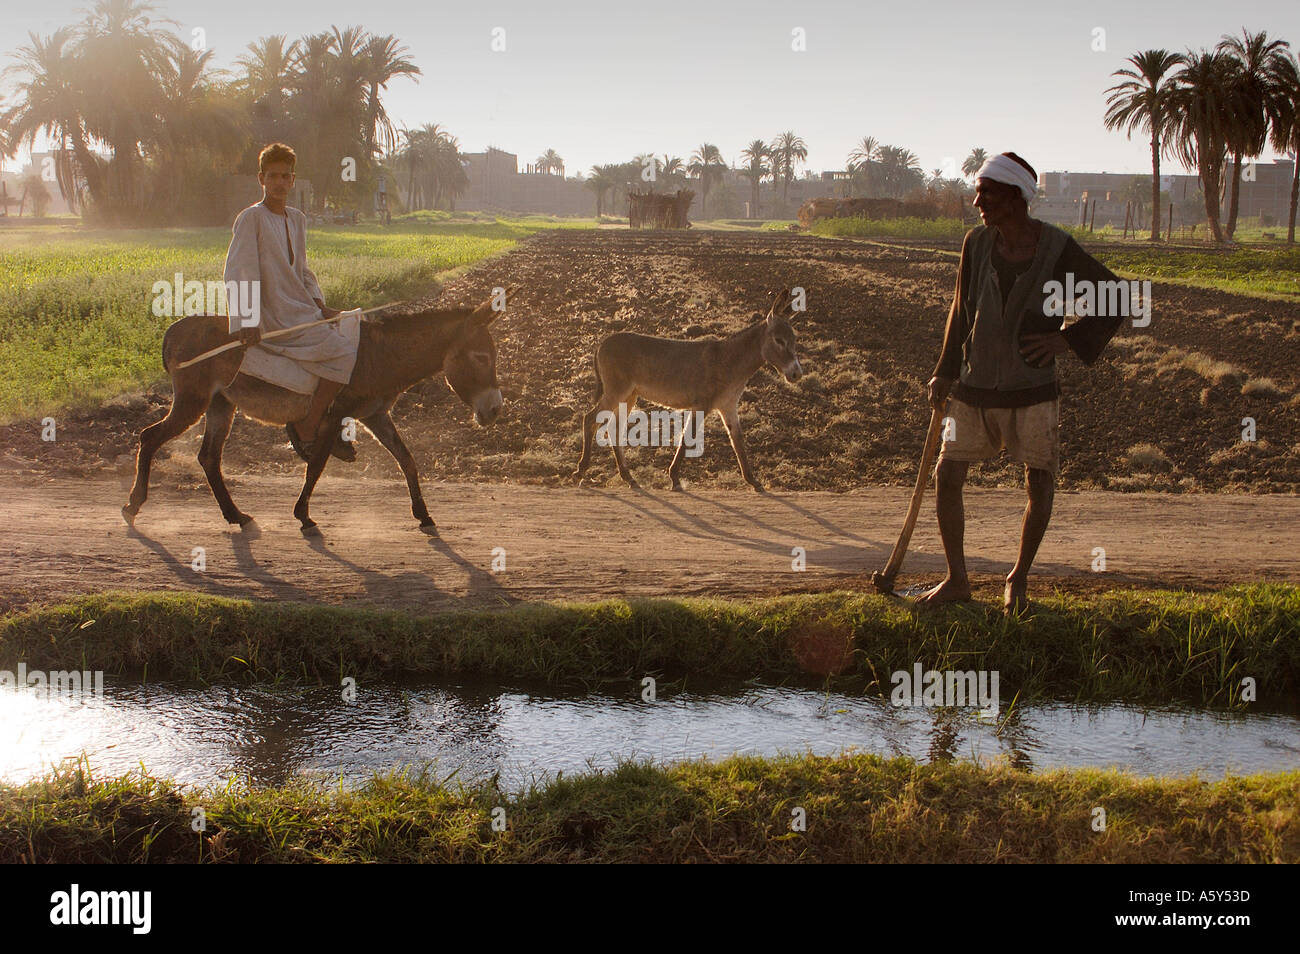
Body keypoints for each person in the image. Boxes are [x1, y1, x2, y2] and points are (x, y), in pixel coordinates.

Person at [920, 152, 1127, 613]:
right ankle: (957, 579)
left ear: (1015, 198)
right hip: (974, 387)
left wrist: (1066, 340)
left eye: (986, 192)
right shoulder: (975, 244)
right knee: (947, 474)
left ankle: (1018, 577)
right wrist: (945, 369)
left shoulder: (1056, 249)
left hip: (1032, 390)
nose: (977, 201)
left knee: (1039, 480)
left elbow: (1116, 299)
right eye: (978, 191)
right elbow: (960, 310)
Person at [224, 142, 358, 462]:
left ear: (293, 180)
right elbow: (239, 270)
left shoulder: (296, 219)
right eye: (273, 176)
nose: (279, 183)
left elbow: (303, 270)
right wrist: (247, 320)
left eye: (285, 176)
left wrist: (320, 305)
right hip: (274, 315)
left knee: (356, 326)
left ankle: (332, 420)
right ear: (261, 179)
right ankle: (308, 425)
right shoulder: (251, 218)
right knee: (343, 351)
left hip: (301, 307)